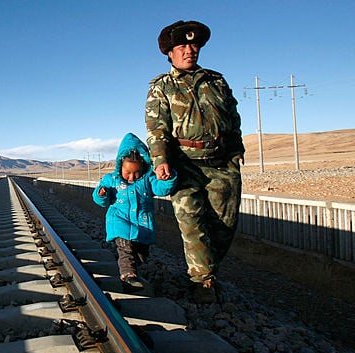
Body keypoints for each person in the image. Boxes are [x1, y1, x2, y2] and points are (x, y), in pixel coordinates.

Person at [145, 20, 243, 303]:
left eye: (193, 45)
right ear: (170, 53)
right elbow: (157, 128)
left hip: (222, 164)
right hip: (184, 163)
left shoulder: (216, 81)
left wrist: (236, 152)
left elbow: (233, 119)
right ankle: (203, 282)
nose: (190, 50)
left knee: (223, 226)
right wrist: (161, 159)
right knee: (192, 224)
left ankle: (207, 270)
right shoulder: (161, 87)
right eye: (182, 46)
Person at [92, 132, 177, 291]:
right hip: (120, 222)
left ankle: (132, 274)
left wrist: (168, 179)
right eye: (127, 173)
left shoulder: (147, 179)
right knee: (126, 251)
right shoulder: (111, 180)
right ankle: (128, 277)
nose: (131, 177)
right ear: (120, 166)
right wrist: (100, 194)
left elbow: (161, 189)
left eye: (136, 173)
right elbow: (102, 201)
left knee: (140, 255)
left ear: (143, 167)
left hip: (142, 224)